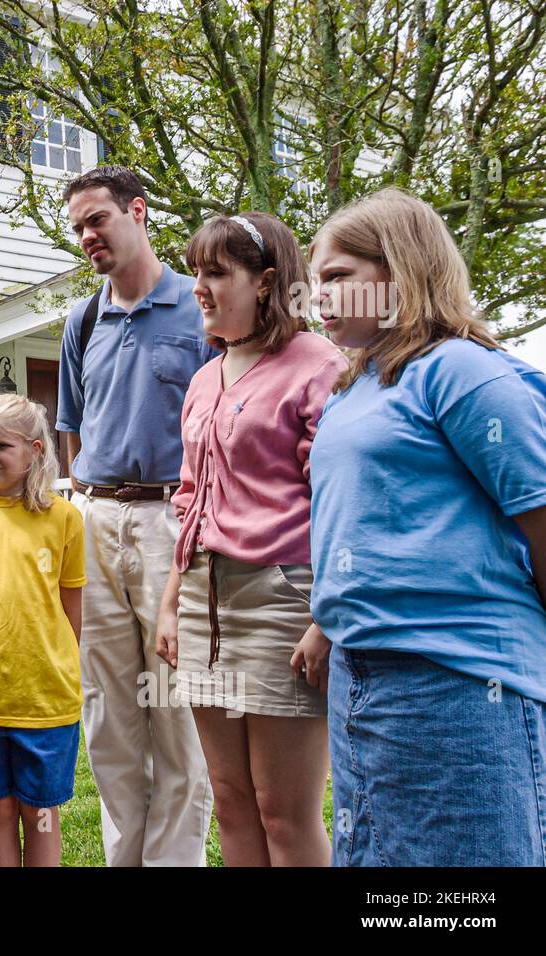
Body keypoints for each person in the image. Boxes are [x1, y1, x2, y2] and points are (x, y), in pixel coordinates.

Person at [307, 188, 546, 866]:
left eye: (336, 278)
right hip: (362, 678)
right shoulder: (355, 389)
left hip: (460, 680)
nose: (316, 297)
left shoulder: (463, 374)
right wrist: (328, 622)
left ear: (402, 270)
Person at [154, 212, 345, 866]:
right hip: (204, 598)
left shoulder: (316, 360)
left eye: (216, 272)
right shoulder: (206, 377)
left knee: (283, 815)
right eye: (194, 271)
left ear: (265, 283)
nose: (197, 287)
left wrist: (327, 615)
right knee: (231, 801)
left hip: (283, 597)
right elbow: (190, 498)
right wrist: (171, 603)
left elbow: (342, 497)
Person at [57, 166, 216, 866]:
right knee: (109, 716)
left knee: (180, 714)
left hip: (172, 522)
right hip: (93, 519)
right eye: (78, 228)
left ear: (138, 211)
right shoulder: (82, 319)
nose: (88, 235)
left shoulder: (201, 307)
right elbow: (72, 430)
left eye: (98, 219)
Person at [0, 394, 84, 867]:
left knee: (40, 811)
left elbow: (71, 605)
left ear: (35, 451)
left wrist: (64, 666)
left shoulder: (63, 518)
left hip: (44, 698)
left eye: (2, 446)